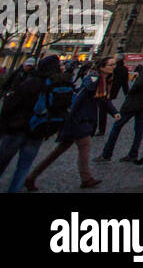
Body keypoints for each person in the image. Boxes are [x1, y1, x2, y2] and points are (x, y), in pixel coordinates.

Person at [24, 56, 118, 190]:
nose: (114, 67)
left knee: (59, 151)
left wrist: (114, 112)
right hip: (78, 120)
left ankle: (31, 177)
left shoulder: (103, 81)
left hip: (82, 120)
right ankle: (86, 179)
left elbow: (104, 99)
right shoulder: (93, 80)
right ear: (102, 67)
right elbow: (78, 98)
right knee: (84, 146)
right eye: (111, 65)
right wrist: (68, 117)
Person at [0, 55, 64, 193]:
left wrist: (4, 124)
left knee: (3, 160)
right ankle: (14, 190)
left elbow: (11, 105)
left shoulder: (32, 82)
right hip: (38, 130)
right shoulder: (55, 84)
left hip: (18, 128)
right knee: (24, 167)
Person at [101, 49, 143, 162]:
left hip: (134, 102)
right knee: (139, 129)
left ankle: (107, 153)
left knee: (117, 126)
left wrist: (131, 92)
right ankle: (133, 154)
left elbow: (139, 83)